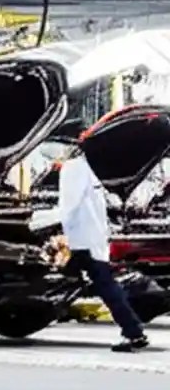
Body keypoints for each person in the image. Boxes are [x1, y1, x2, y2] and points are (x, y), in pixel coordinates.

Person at [57, 147, 148, 352]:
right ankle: (133, 330)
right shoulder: (92, 169)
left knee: (105, 285)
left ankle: (133, 332)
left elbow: (69, 207)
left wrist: (47, 224)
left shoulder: (72, 168)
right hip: (94, 238)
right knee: (99, 282)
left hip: (81, 240)